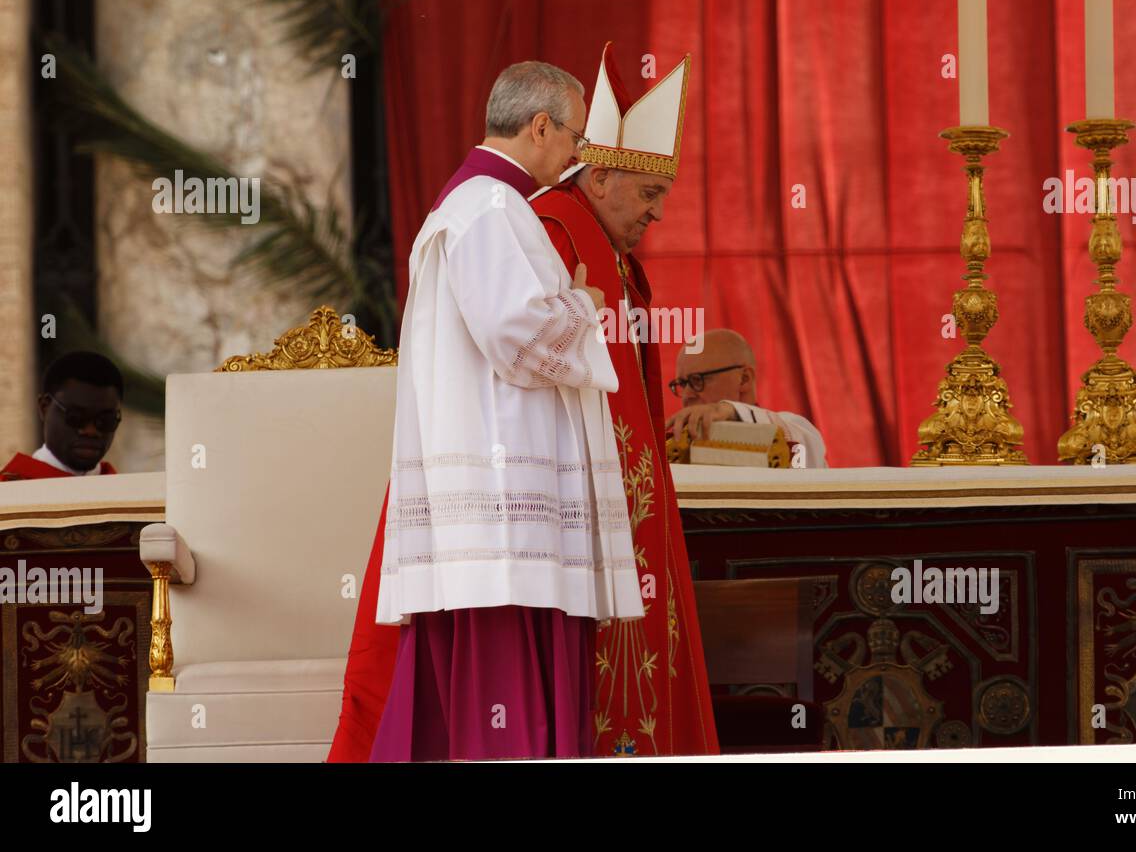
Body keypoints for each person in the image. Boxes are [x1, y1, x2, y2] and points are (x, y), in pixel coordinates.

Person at [332, 60, 643, 762]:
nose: (576, 157)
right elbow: (517, 335)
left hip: (498, 505)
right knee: (508, 694)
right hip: (508, 511)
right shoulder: (492, 209)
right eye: (573, 138)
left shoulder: (474, 206)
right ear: (539, 126)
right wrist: (585, 306)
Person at [530, 43, 718, 755]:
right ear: (600, 175)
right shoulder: (551, 229)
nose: (658, 213)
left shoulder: (604, 248)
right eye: (648, 194)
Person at [665, 329, 828, 467]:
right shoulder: (675, 451)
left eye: (697, 380)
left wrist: (729, 409)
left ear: (744, 379)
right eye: (682, 383)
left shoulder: (793, 429)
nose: (686, 395)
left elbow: (806, 449)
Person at [1, 351, 122, 481]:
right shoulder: (8, 491)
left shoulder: (130, 495)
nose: (91, 431)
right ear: (44, 408)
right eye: (76, 417)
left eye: (105, 420)